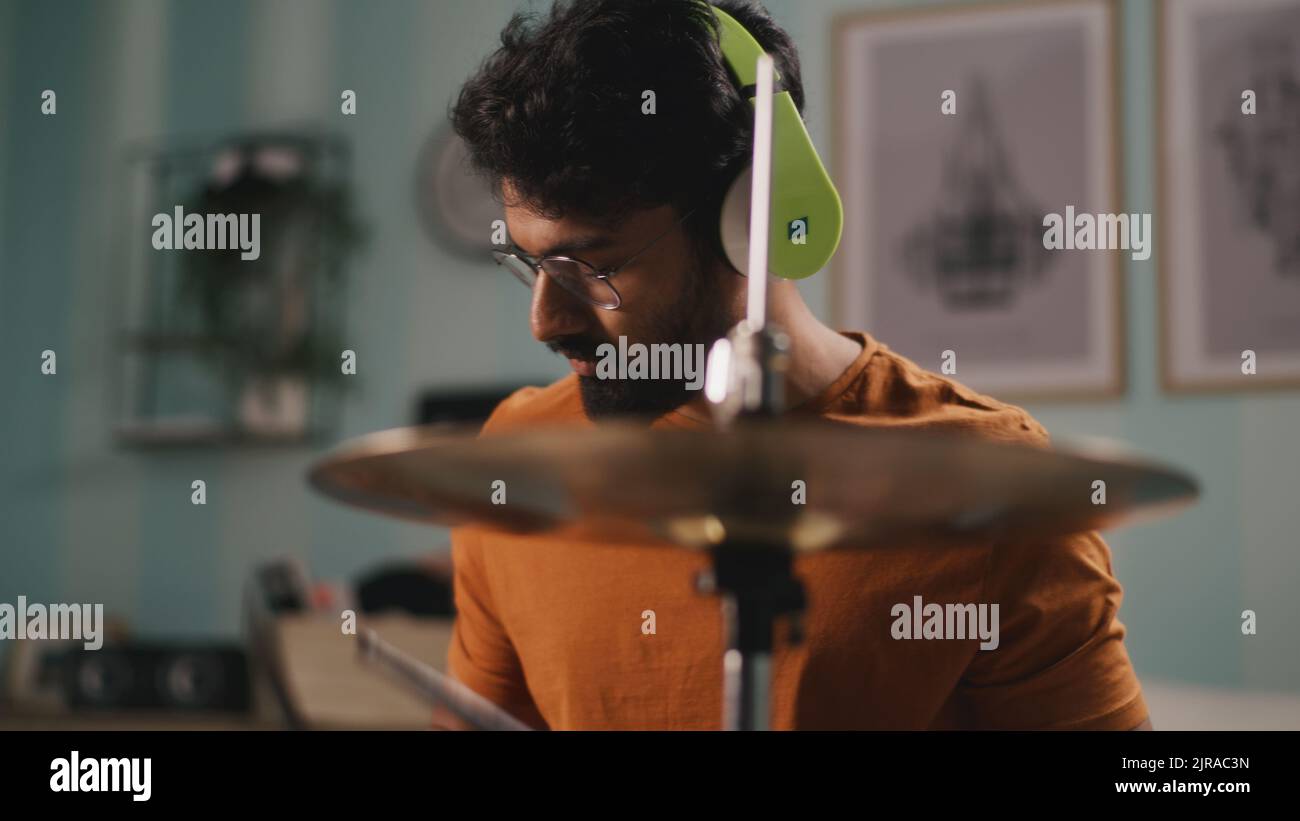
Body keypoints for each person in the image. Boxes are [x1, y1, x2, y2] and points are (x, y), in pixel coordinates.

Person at [443, 0, 1151, 730]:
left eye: (594, 267)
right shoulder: (516, 465)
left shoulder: (996, 488)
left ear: (753, 216)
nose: (546, 323)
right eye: (531, 265)